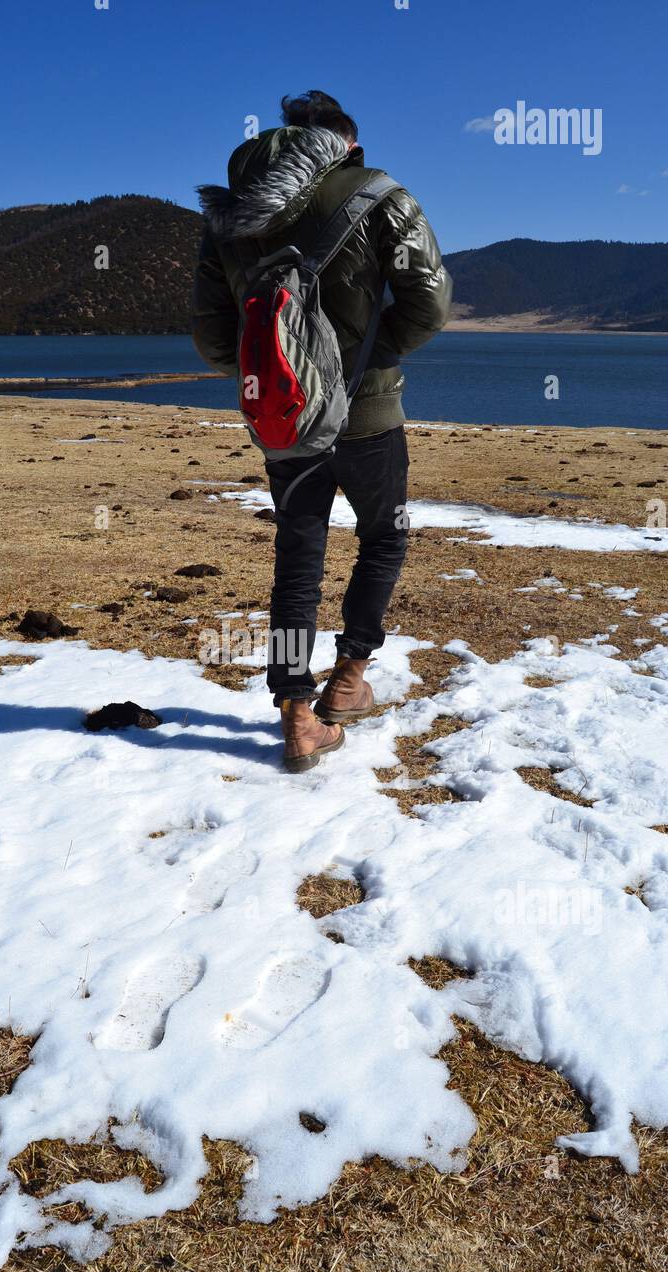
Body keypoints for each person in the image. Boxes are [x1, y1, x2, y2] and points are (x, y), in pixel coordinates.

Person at [192, 90, 451, 771]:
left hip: (285, 424)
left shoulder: (228, 218)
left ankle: (296, 716)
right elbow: (429, 304)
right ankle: (348, 680)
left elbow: (216, 341)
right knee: (383, 537)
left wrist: (289, 373)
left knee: (296, 560)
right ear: (346, 144)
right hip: (369, 413)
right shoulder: (378, 193)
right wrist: (365, 359)